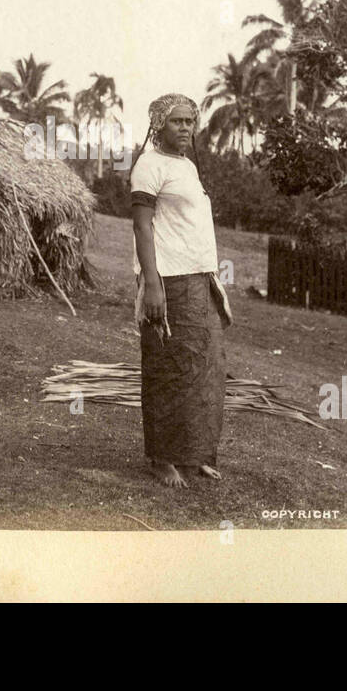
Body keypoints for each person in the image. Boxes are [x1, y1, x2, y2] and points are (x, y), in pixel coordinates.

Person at [129, 93, 232, 489]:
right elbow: (142, 227)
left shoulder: (187, 166)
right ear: (159, 124)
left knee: (206, 369)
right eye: (177, 121)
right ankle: (162, 457)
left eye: (190, 121)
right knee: (170, 369)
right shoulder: (148, 166)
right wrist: (151, 283)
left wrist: (213, 281)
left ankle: (196, 452)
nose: (186, 127)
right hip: (169, 281)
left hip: (199, 279)